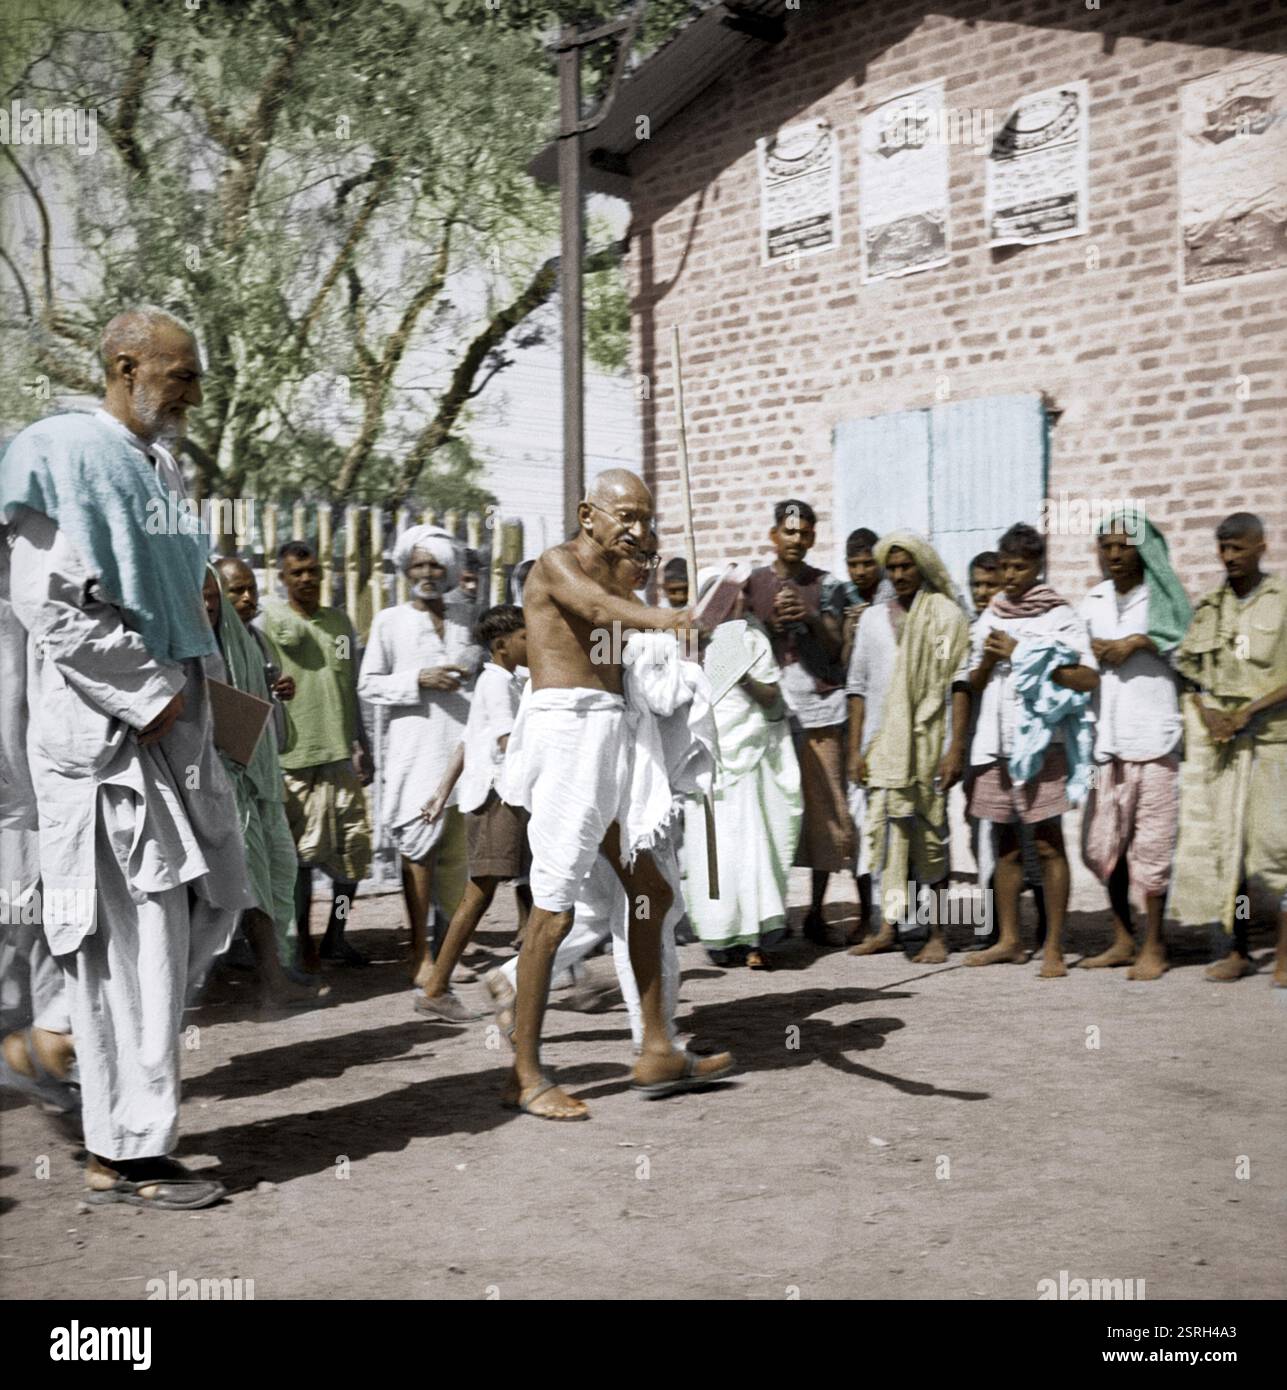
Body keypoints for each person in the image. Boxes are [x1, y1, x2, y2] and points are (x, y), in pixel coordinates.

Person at [0, 305, 254, 1208]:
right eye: (180, 374)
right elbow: (50, 605)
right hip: (107, 736)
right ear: (123, 365)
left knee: (211, 903)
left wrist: (204, 650)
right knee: (131, 944)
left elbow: (172, 589)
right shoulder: (59, 454)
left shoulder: (163, 465)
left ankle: (60, 1038)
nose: (192, 391)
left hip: (178, 725)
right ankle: (127, 1152)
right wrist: (147, 695)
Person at [496, 468, 733, 1119]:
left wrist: (682, 631)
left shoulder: (620, 581)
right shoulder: (553, 565)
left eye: (646, 520)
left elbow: (633, 655)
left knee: (651, 893)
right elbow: (599, 613)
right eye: (626, 516)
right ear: (586, 514)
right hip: (566, 738)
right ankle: (526, 1076)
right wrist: (674, 615)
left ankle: (657, 1048)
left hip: (611, 741)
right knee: (554, 909)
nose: (638, 530)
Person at [964, 522, 1098, 977]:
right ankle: (1009, 940)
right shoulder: (990, 615)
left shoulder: (1059, 615)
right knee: (1003, 845)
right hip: (995, 745)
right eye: (1005, 567)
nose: (1010, 577)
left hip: (1042, 746)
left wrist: (1023, 654)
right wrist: (988, 656)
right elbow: (971, 684)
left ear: (1038, 566)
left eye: (1020, 567)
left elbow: (1087, 678)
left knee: (1047, 845)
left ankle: (1054, 948)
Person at [358, 527, 479, 985]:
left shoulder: (466, 618)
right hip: (415, 749)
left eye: (436, 566)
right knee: (418, 849)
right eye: (419, 565)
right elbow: (368, 684)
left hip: (462, 745)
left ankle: (449, 953)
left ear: (449, 570)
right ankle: (419, 956)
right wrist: (418, 679)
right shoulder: (390, 621)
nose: (427, 573)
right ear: (406, 569)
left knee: (458, 856)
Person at [201, 567, 327, 1007]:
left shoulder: (252, 641)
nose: (242, 598)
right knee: (248, 881)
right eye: (233, 590)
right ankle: (270, 981)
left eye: (245, 589)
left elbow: (260, 704)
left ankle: (271, 968)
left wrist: (276, 693)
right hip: (222, 781)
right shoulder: (195, 644)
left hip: (261, 776)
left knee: (279, 871)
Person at [1171, 513, 1287, 985]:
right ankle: (1237, 949)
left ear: (1261, 546)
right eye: (1222, 549)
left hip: (1273, 743)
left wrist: (1250, 711)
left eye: (1238, 548)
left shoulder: (1281, 602)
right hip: (1225, 749)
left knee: (1277, 852)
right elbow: (1187, 670)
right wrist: (1206, 711)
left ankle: (1284, 953)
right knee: (1231, 856)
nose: (1229, 557)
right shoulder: (1212, 606)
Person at [845, 534, 970, 962]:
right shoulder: (872, 621)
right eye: (892, 568)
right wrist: (854, 749)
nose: (898, 575)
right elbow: (857, 686)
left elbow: (958, 682)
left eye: (906, 567)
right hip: (883, 745)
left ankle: (937, 933)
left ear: (922, 567)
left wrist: (956, 748)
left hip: (930, 742)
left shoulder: (944, 617)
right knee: (886, 836)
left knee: (931, 836)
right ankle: (888, 928)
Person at [1077, 512, 1189, 980]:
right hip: (1108, 739)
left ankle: (1154, 944)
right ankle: (1122, 938)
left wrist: (1141, 643)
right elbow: (1082, 667)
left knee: (1153, 845)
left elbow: (1191, 652)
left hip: (1155, 737)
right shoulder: (1095, 600)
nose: (1115, 554)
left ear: (1144, 549)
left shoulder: (1164, 601)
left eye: (1124, 545)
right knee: (1107, 845)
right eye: (1107, 545)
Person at [744, 499, 853, 945]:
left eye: (805, 533)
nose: (797, 540)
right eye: (789, 532)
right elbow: (738, 639)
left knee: (824, 814)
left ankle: (816, 912)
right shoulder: (752, 584)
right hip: (769, 710)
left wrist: (807, 617)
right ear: (774, 535)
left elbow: (835, 648)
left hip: (820, 710)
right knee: (773, 813)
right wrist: (768, 623)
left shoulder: (827, 585)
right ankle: (773, 917)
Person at [260, 541, 374, 967]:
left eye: (312, 570)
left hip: (339, 755)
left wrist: (361, 743)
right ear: (283, 577)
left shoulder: (340, 624)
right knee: (303, 859)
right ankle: (303, 942)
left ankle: (337, 935)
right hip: (293, 755)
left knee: (353, 854)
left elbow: (346, 685)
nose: (306, 579)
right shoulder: (269, 622)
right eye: (296, 573)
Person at [414, 604, 531, 1020]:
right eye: (525, 638)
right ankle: (437, 985)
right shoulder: (497, 684)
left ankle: (538, 982)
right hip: (496, 800)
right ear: (501, 646)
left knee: (537, 891)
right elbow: (504, 741)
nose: (532, 643)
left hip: (500, 798)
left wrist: (441, 791)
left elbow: (467, 742)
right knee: (479, 894)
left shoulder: (507, 681)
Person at [684, 568, 802, 969]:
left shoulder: (752, 638)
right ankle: (722, 935)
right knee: (715, 855)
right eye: (727, 596)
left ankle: (756, 937)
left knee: (752, 850)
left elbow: (773, 701)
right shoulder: (694, 644)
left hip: (748, 758)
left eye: (740, 596)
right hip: (708, 759)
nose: (736, 603)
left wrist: (743, 678)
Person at [964, 552, 1048, 949]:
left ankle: (1048, 926)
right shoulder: (973, 632)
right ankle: (993, 928)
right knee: (988, 842)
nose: (982, 592)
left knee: (1034, 840)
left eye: (989, 583)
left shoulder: (1026, 626)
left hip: (1026, 748)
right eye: (975, 585)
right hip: (983, 752)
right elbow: (963, 689)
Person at [838, 527, 894, 935]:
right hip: (862, 724)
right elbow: (848, 676)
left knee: (898, 826)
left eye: (866, 564)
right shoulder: (846, 600)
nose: (859, 572)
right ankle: (867, 915)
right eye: (853, 564)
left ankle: (902, 921)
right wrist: (849, 633)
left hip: (895, 725)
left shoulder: (894, 600)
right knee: (861, 825)